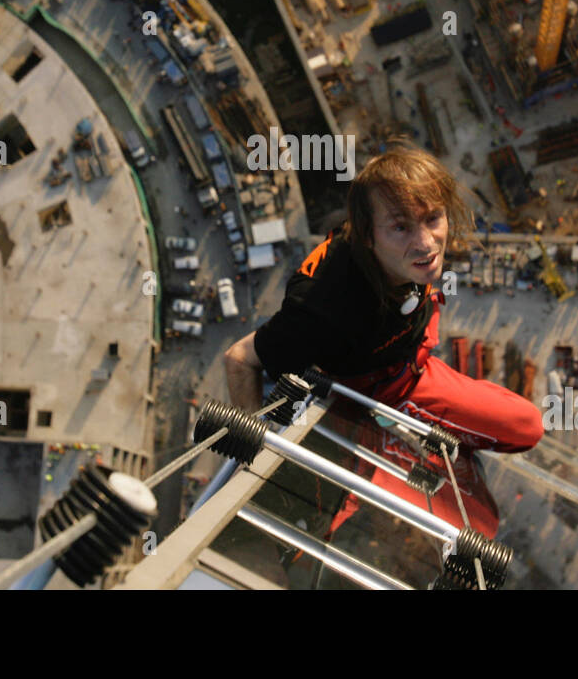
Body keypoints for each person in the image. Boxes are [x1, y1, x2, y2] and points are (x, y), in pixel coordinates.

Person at [222, 144, 543, 536]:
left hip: (414, 350)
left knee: (527, 427)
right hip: (385, 387)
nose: (427, 243)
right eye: (402, 227)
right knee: (485, 511)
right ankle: (393, 442)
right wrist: (260, 458)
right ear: (367, 236)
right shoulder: (325, 305)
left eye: (433, 219)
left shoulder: (401, 255)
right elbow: (239, 358)